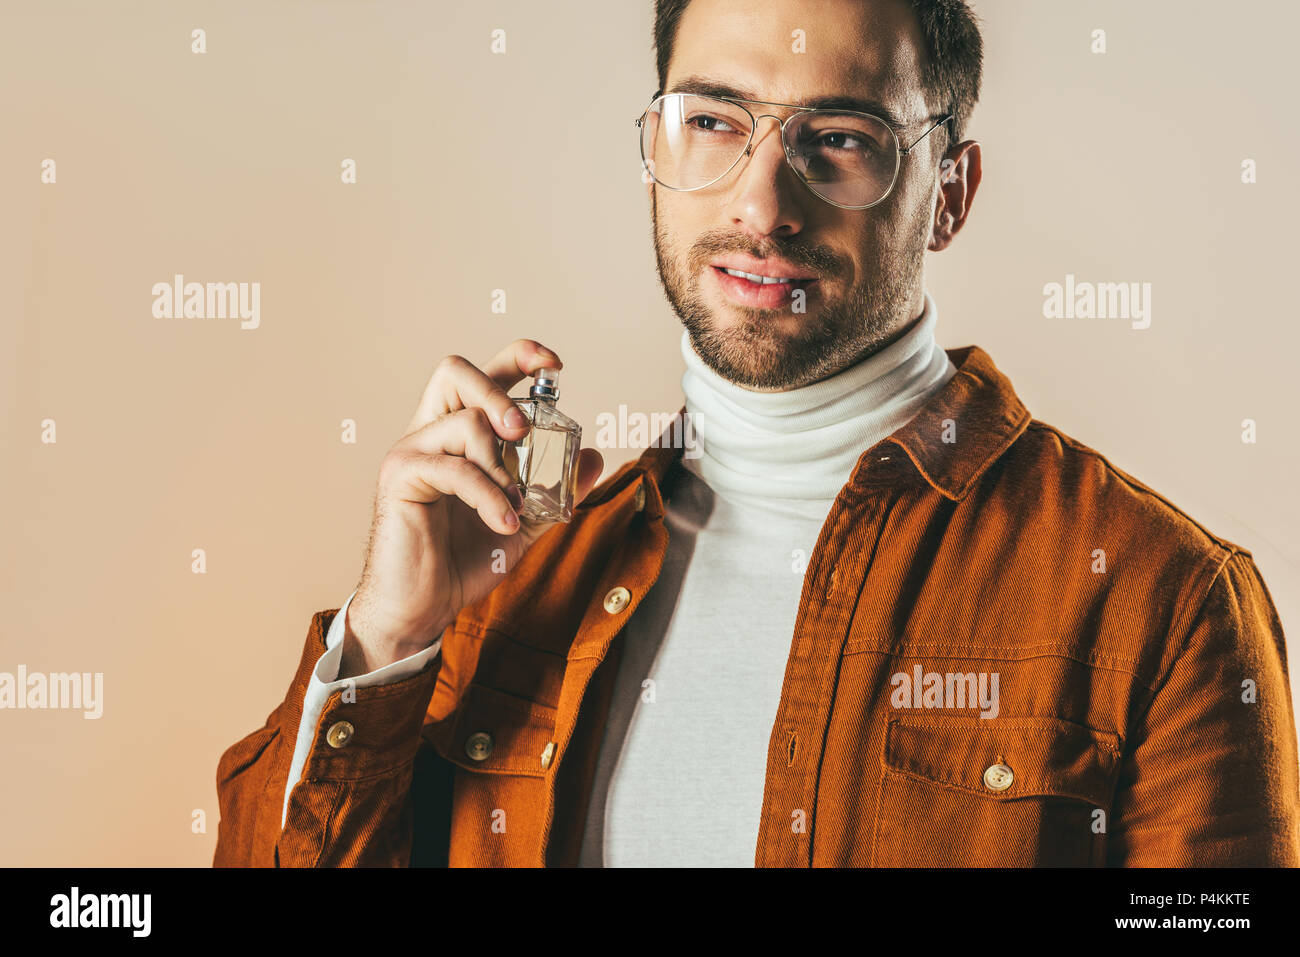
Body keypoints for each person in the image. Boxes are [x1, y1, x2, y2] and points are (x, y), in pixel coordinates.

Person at [214, 0, 1300, 867]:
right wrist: (388, 642)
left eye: (838, 138)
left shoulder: (1160, 599)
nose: (761, 201)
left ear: (948, 196)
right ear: (655, 144)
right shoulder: (514, 562)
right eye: (714, 122)